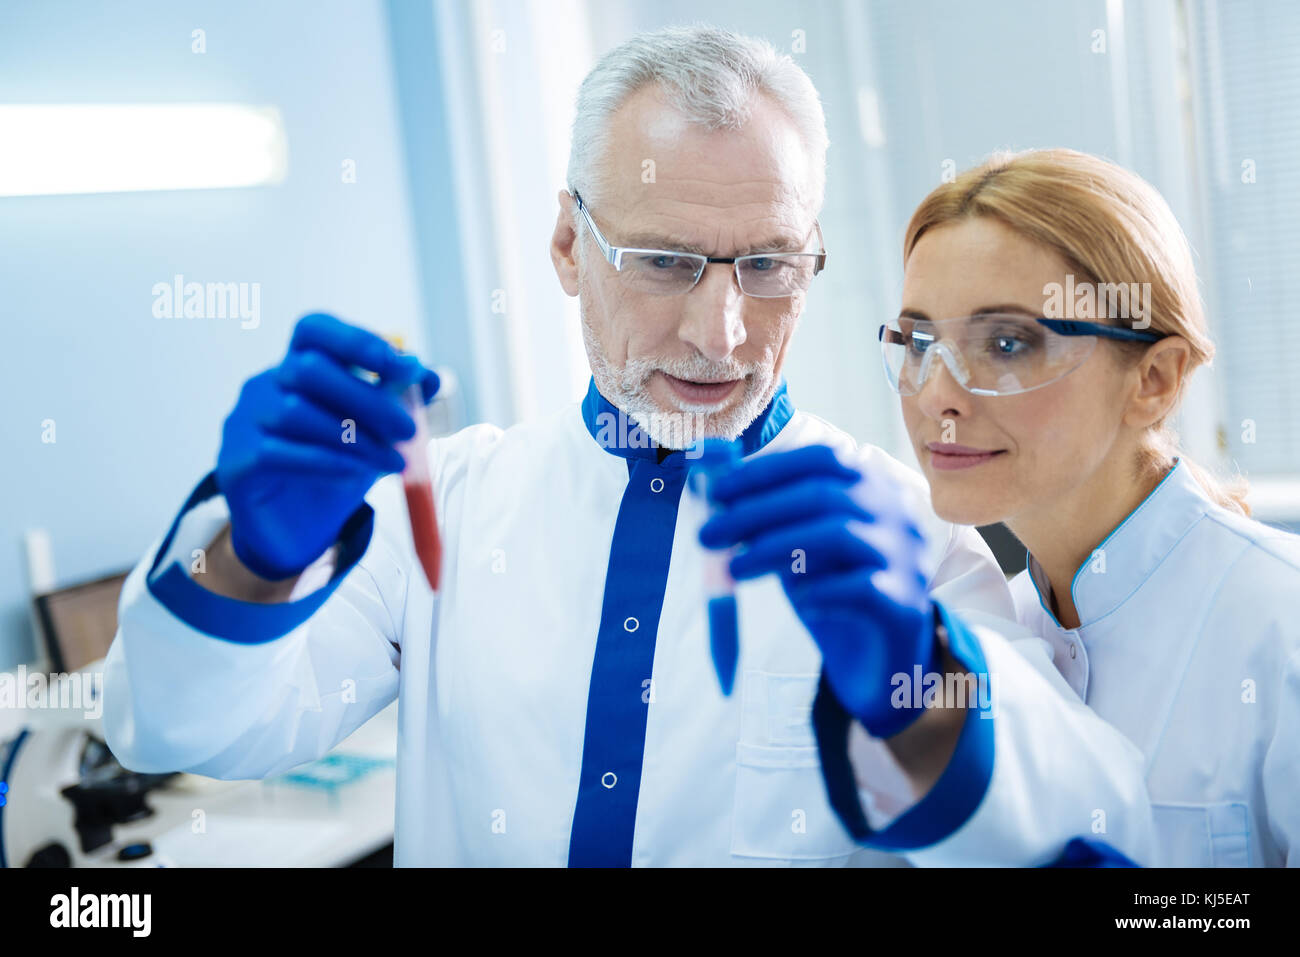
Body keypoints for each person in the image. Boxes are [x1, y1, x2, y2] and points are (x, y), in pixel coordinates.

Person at [102, 28, 1153, 866]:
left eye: (770, 267)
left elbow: (1092, 834)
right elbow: (176, 734)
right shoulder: (448, 516)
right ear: (567, 246)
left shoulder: (900, 547)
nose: (720, 335)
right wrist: (246, 557)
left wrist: (919, 686)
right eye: (661, 261)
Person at [883, 147, 1300, 866]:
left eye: (1007, 342)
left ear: (1155, 378)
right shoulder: (982, 637)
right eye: (920, 342)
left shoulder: (1280, 632)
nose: (935, 396)